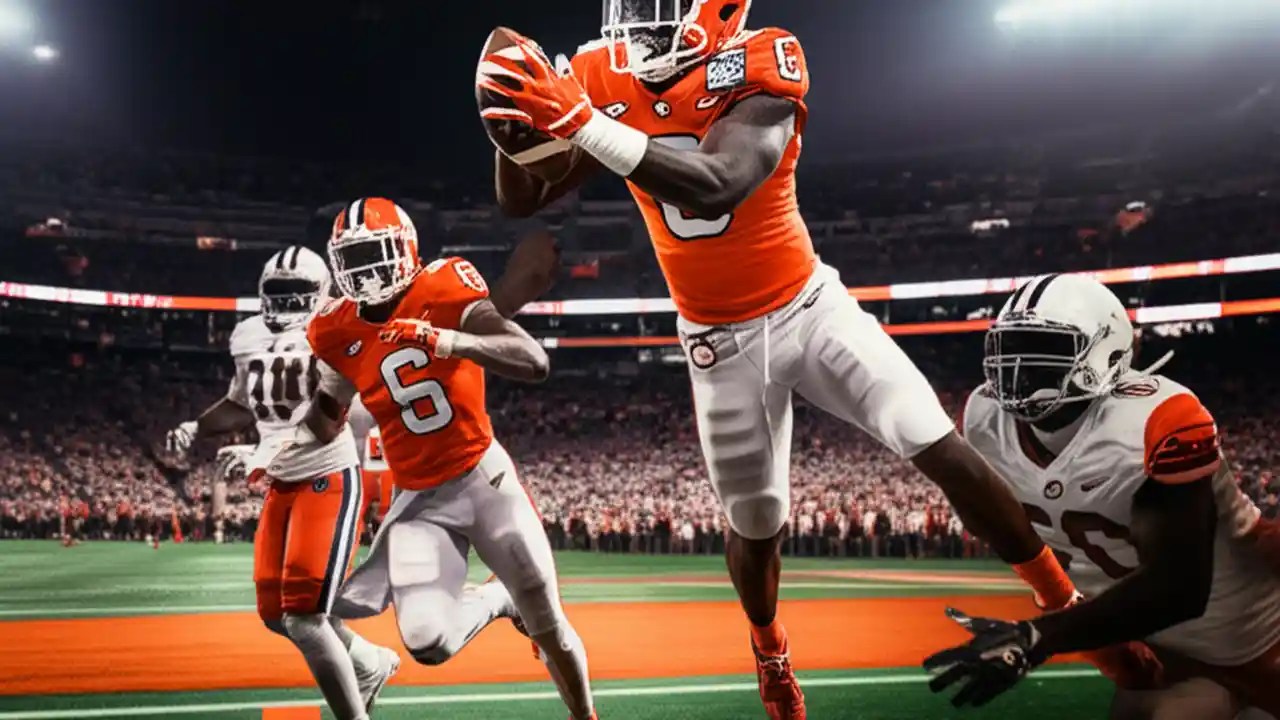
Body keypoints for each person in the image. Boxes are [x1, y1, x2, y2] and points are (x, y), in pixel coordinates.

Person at [477, 3, 1091, 717]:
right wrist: (511, 122)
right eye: (630, 7)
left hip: (807, 305)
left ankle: (1062, 599)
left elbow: (723, 179)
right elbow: (522, 200)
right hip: (716, 341)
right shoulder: (598, 73)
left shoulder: (762, 57)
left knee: (932, 438)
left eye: (656, 8)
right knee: (756, 521)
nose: (636, 26)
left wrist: (580, 121)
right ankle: (771, 650)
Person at [925, 274, 1280, 718]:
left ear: (1106, 353)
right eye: (1009, 347)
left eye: (1044, 350)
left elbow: (1180, 587)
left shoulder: (1156, 420)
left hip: (1256, 633)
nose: (1018, 368)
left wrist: (1036, 637)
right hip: (1162, 649)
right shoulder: (984, 416)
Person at [299, 198, 597, 720]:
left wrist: (449, 340)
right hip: (420, 502)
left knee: (550, 626)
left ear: (405, 249)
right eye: (353, 258)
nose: (364, 271)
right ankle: (495, 600)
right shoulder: (336, 329)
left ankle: (585, 716)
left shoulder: (442, 286)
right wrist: (300, 425)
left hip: (485, 481)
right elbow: (327, 417)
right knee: (427, 641)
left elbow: (534, 361)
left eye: (373, 253)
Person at [165, 246, 398, 720]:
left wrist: (259, 451)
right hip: (282, 482)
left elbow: (326, 420)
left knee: (305, 620)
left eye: (298, 292)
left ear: (322, 292)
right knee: (276, 616)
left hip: (326, 474)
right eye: (280, 292)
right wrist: (197, 425)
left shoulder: (332, 330)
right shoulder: (246, 335)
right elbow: (239, 403)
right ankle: (369, 663)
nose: (289, 302)